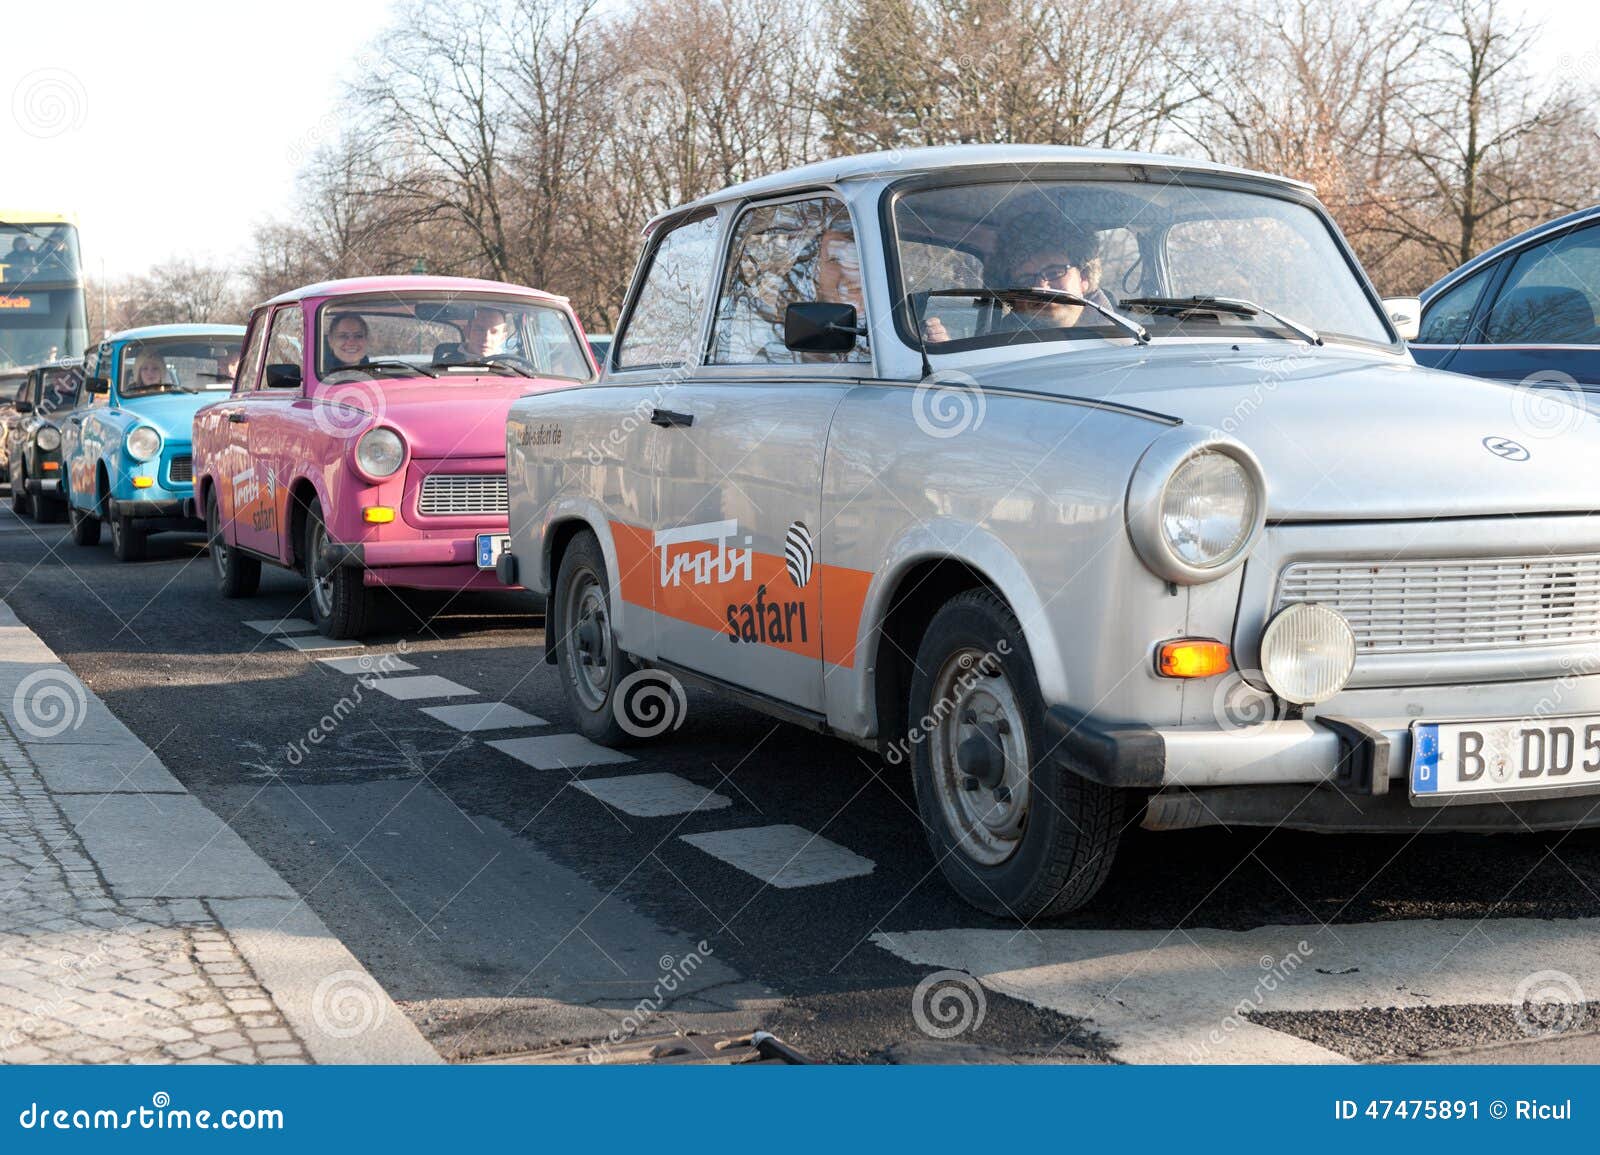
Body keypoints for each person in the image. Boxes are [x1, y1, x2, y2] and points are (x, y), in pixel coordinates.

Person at [923, 211, 1111, 343]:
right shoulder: (1003, 338)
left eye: (1054, 273)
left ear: (1084, 278)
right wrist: (944, 349)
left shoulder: (1120, 343)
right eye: (1026, 280)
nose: (1041, 288)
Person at [435, 307, 512, 363]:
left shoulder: (514, 370)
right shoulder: (444, 367)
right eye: (480, 330)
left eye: (494, 332)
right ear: (467, 332)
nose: (486, 338)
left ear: (503, 337)